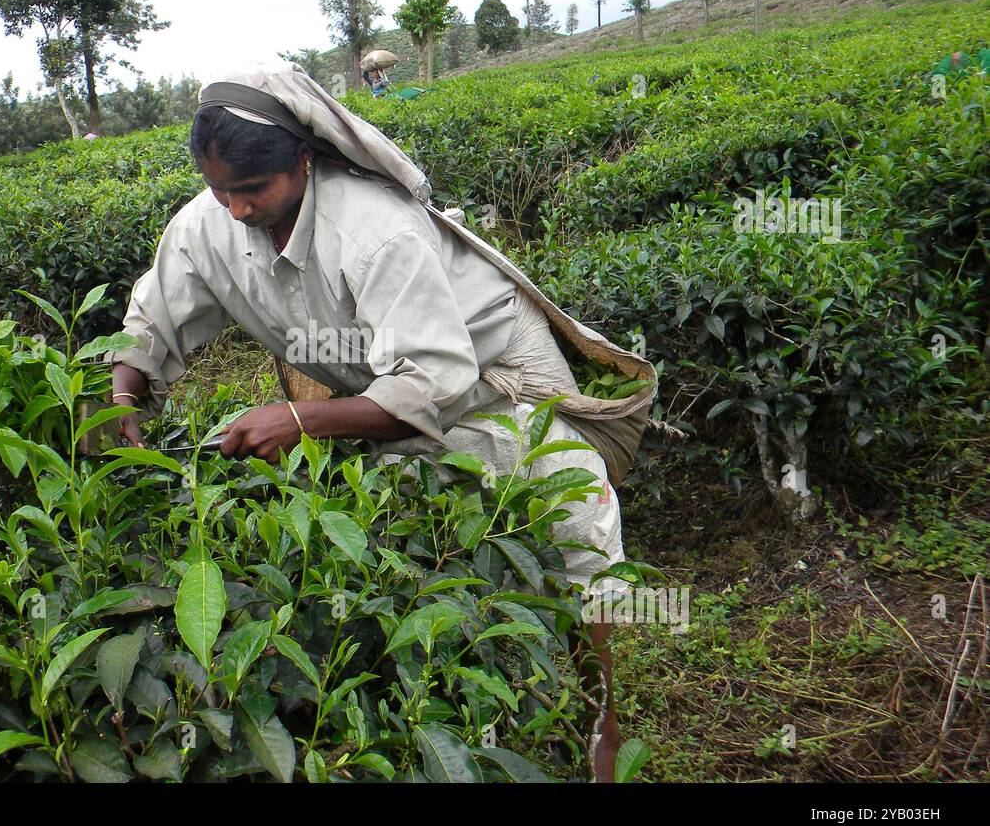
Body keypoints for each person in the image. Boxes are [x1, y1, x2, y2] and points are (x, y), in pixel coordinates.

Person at [106, 62, 658, 781]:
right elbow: (153, 318)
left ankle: (600, 720)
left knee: (566, 518)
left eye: (252, 191)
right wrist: (125, 393)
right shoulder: (206, 226)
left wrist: (298, 419)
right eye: (220, 192)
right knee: (407, 541)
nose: (235, 210)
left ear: (303, 161)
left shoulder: (375, 234)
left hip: (493, 375)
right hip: (374, 380)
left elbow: (433, 382)